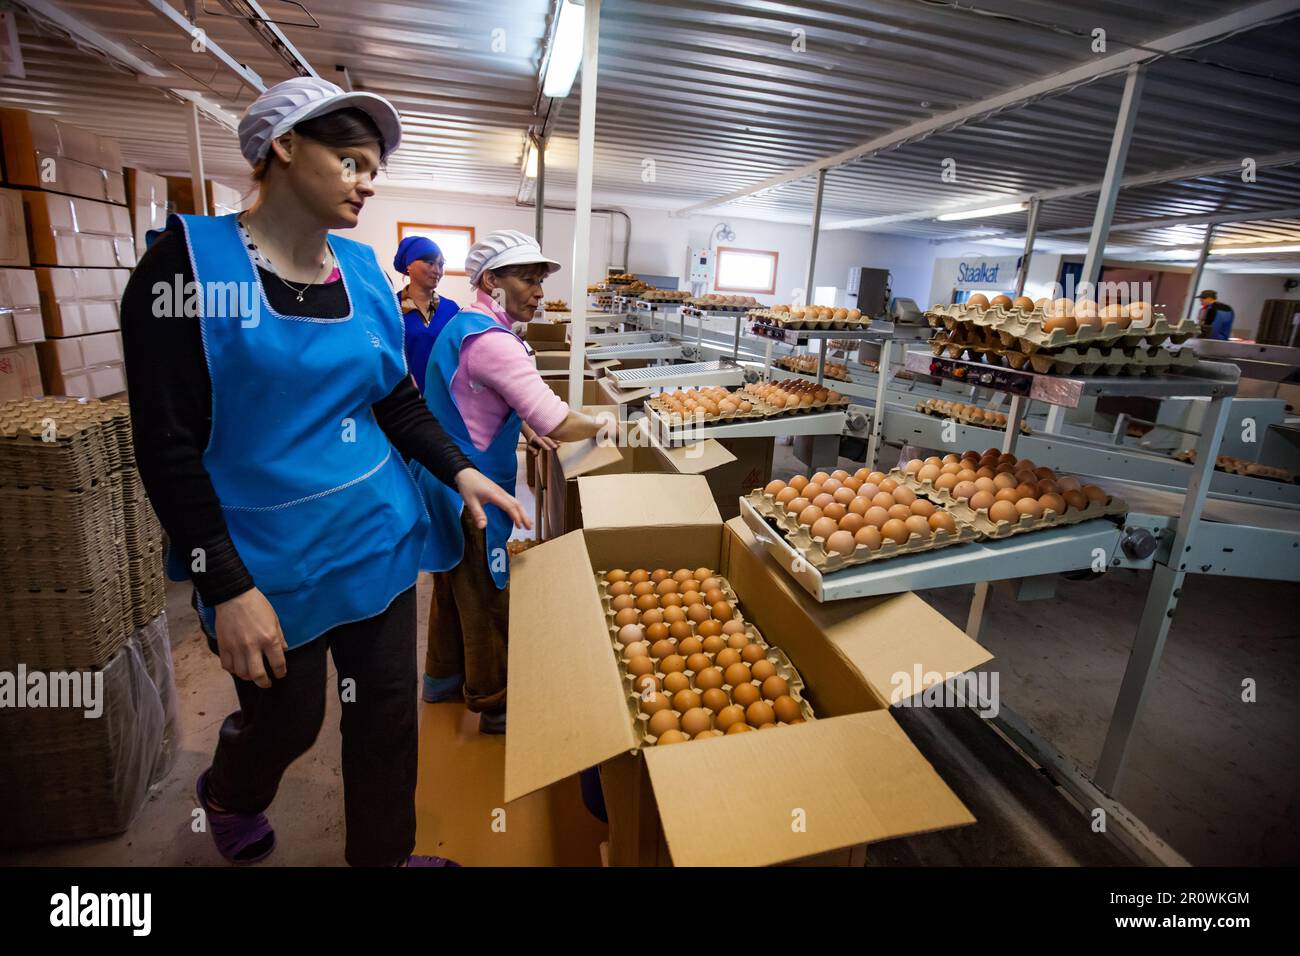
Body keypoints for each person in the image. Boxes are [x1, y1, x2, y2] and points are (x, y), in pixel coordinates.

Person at [121, 77, 530, 868]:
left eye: (373, 167)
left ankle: (384, 857)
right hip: (263, 559)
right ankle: (231, 791)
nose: (367, 181)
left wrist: (457, 472)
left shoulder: (362, 270)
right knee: (289, 719)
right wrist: (225, 586)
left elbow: (396, 399)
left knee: (385, 716)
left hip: (373, 536)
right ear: (281, 148)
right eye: (349, 161)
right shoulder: (188, 269)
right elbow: (165, 448)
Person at [412, 229, 606, 734]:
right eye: (527, 278)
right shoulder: (494, 342)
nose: (538, 291)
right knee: (488, 592)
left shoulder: (466, 326)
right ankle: (496, 705)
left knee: (453, 587)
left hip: (441, 480)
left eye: (540, 280)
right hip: (471, 493)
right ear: (491, 280)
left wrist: (520, 424)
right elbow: (559, 421)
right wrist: (611, 424)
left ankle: (442, 680)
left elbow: (473, 393)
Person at [395, 235, 459, 392]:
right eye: (430, 263)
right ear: (409, 264)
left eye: (441, 264)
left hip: (445, 398)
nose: (437, 271)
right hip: (404, 400)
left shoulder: (451, 310)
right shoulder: (391, 307)